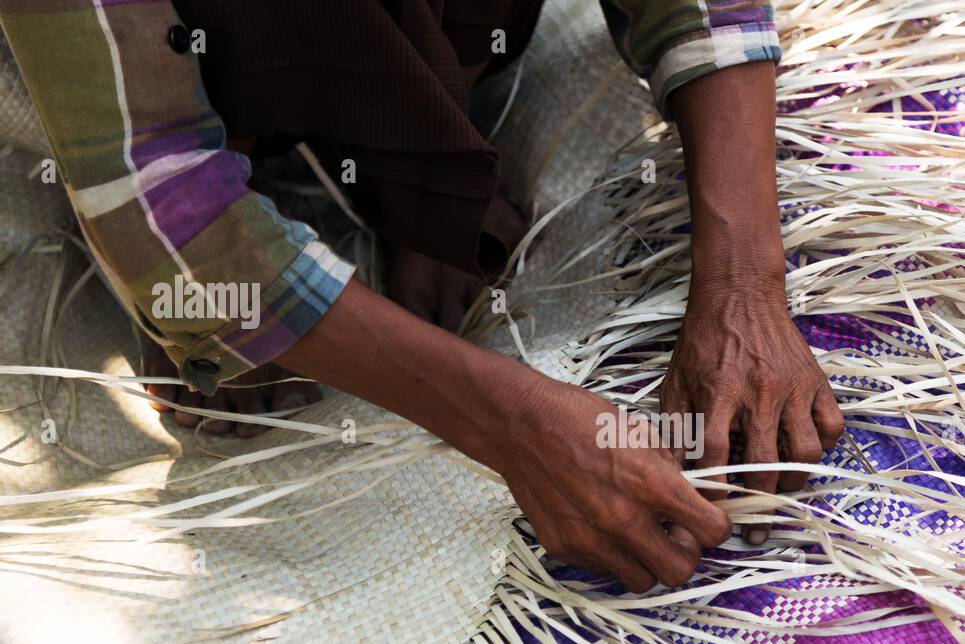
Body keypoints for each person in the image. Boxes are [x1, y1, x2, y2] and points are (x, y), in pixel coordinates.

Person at [0, 0, 844, 592]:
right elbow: (150, 188)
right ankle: (252, 181)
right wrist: (513, 424)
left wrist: (744, 284)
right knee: (191, 262)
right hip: (171, 53)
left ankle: (421, 143)